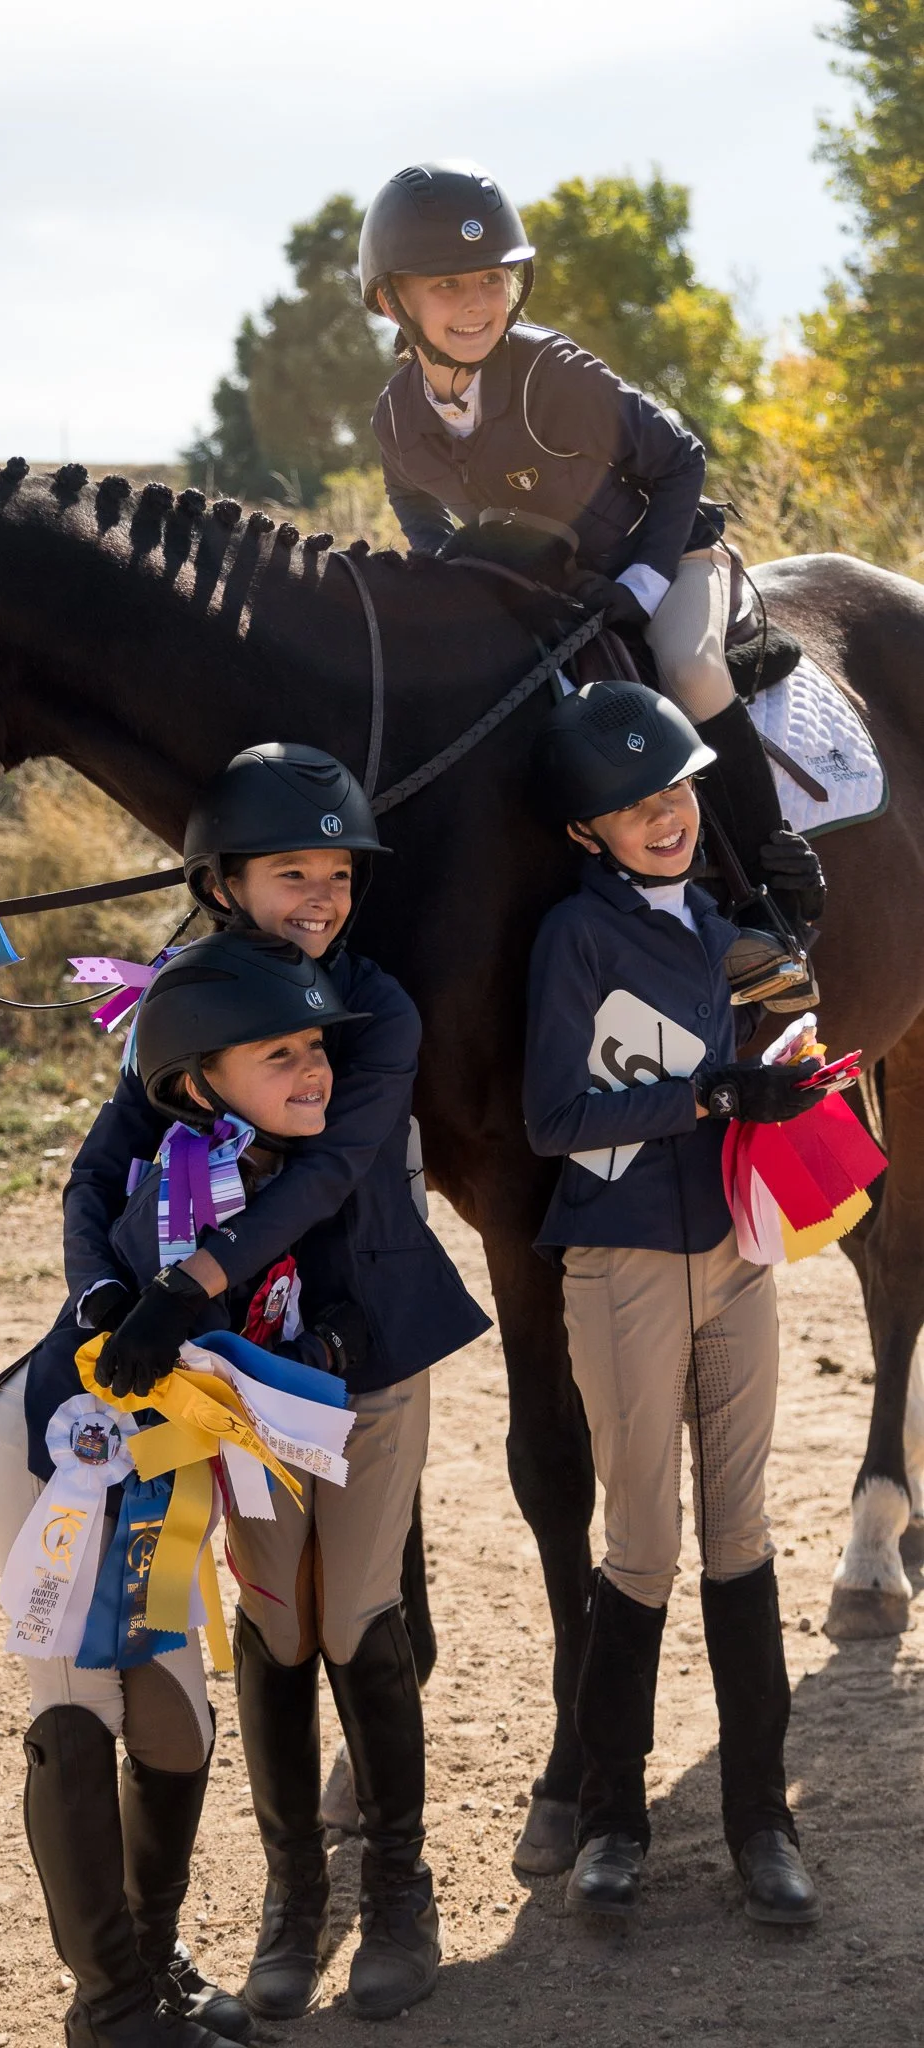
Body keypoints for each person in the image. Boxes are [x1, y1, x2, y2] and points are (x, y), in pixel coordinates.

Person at [68, 743, 491, 2024]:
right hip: (237, 1377)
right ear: (222, 881)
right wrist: (104, 1295)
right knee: (273, 1617)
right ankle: (295, 1892)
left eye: (338, 870)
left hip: (362, 1356)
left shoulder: (378, 1006)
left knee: (360, 1608)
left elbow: (328, 1173)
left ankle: (399, 1883)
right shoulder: (184, 1001)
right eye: (290, 870)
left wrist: (184, 1278)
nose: (321, 892)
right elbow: (98, 1173)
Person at [0, 932, 371, 2048]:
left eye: (316, 1044)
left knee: (177, 1728)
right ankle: (114, 2008)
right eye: (276, 1050)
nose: (313, 1067)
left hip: (155, 1477)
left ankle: (147, 1956)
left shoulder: (288, 1166)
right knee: (80, 1712)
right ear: (197, 1085)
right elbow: (161, 1281)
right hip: (63, 1459)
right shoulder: (189, 1180)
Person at [358, 159, 826, 1009]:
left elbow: (680, 460)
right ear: (394, 302)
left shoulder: (552, 373)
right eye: (448, 286)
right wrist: (442, 562)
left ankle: (774, 897)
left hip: (671, 558)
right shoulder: (395, 413)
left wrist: (645, 582)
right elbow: (409, 494)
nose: (475, 304)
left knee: (687, 669)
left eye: (491, 280)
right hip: (556, 586)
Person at [522, 678, 831, 1926]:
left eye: (681, 791)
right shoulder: (573, 939)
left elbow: (776, 1042)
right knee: (642, 1540)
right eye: (635, 803)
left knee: (743, 1536)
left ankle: (762, 1814)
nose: (667, 815)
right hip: (623, 1260)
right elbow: (554, 1116)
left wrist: (795, 971)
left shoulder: (716, 919)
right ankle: (612, 1814)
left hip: (738, 1254)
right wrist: (705, 1101)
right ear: (585, 830)